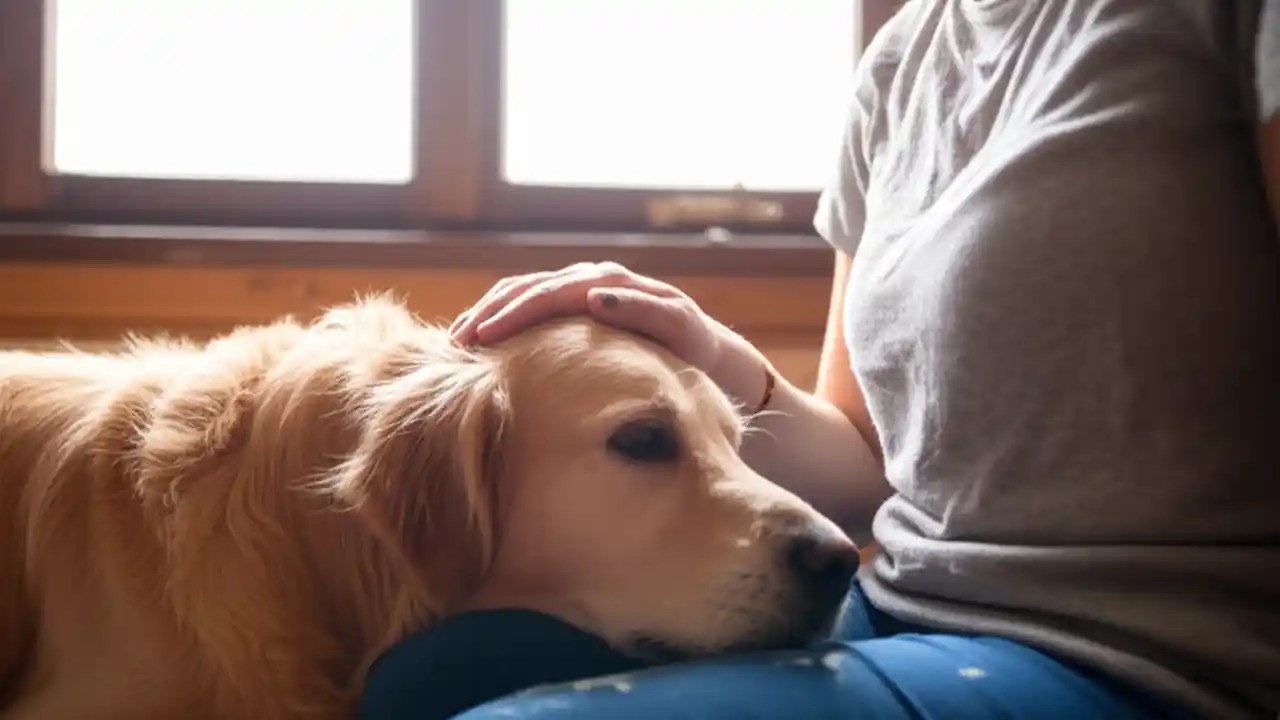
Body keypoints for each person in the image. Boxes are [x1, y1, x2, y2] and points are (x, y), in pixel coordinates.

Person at [360, 0, 1280, 717]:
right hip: (903, 605)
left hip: (1157, 656)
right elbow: (869, 466)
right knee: (420, 680)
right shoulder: (903, 62)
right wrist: (708, 352)